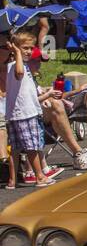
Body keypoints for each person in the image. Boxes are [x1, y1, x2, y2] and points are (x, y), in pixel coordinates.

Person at [4, 32, 55, 186]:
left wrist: (48, 95)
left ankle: (12, 180)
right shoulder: (15, 66)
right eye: (24, 48)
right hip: (25, 114)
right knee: (32, 147)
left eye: (30, 48)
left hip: (18, 113)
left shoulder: (23, 66)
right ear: (15, 48)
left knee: (16, 149)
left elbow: (29, 94)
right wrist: (17, 53)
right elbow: (19, 74)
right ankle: (39, 176)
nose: (28, 51)